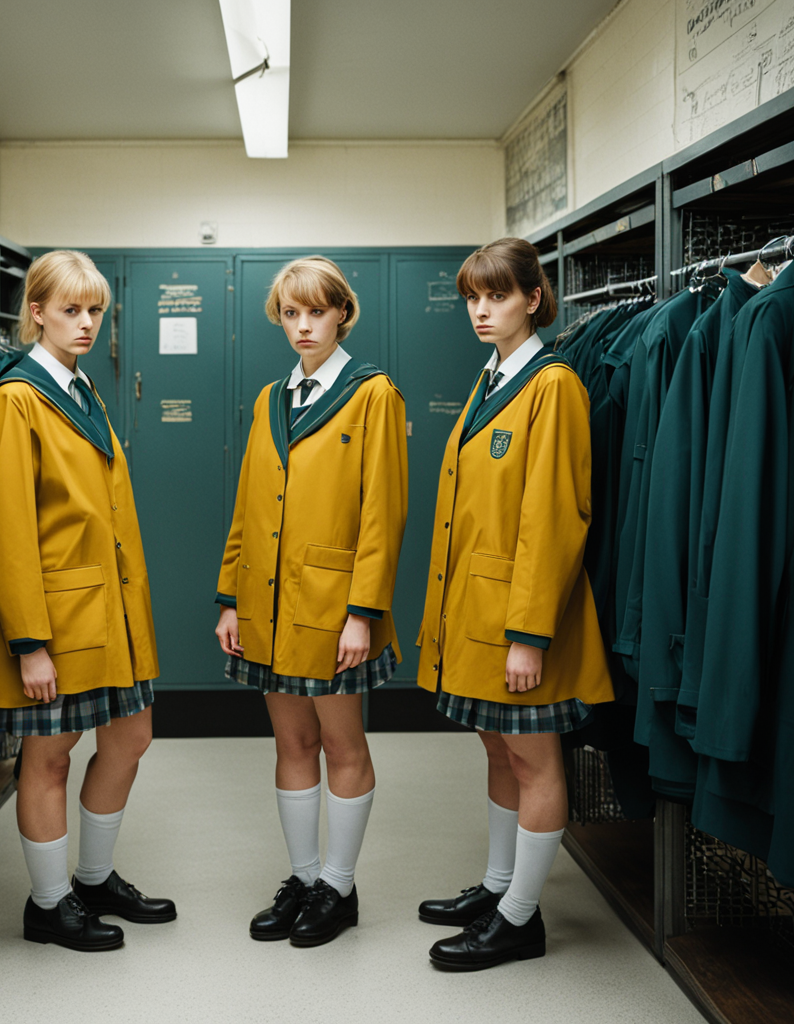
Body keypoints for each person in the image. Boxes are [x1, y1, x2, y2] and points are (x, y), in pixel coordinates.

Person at [416, 238, 614, 971]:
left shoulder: (553, 383)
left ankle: (521, 920)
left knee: (534, 760)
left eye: (496, 295)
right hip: (475, 613)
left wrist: (529, 633)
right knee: (498, 748)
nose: (480, 309)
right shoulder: (494, 377)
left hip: (520, 621)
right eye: (472, 296)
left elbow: (557, 516)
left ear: (534, 298)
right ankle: (499, 889)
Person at [0, 249, 175, 952]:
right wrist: (29, 642)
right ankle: (49, 903)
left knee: (132, 736)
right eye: (71, 310)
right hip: (57, 622)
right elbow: (5, 529)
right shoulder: (16, 400)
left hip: (111, 614)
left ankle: (92, 878)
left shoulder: (79, 388)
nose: (87, 323)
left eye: (95, 311)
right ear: (36, 312)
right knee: (49, 756)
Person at [215, 256, 408, 947]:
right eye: (290, 314)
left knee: (340, 740)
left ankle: (339, 886)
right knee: (291, 740)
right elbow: (247, 504)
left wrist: (364, 612)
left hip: (334, 608)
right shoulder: (271, 397)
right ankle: (302, 878)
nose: (303, 326)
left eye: (316, 312)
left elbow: (384, 513)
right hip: (266, 603)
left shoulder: (372, 393)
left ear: (342, 314)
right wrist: (230, 598)